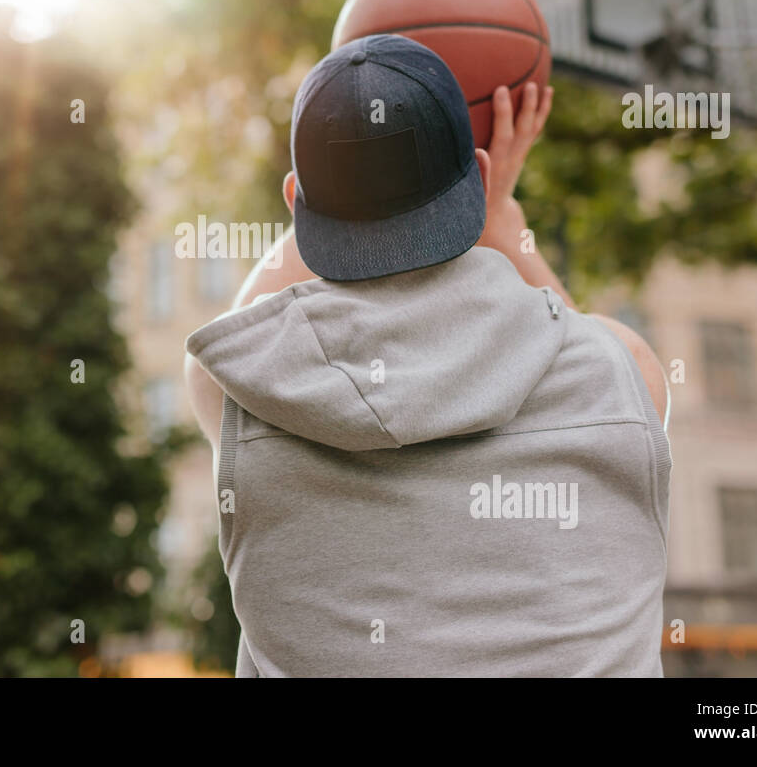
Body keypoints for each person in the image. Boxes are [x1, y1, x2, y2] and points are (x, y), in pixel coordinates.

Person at [183, 34, 671, 677]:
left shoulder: (231, 389)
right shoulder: (625, 368)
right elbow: (570, 331)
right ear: (482, 174)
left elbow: (246, 323)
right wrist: (501, 215)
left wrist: (338, 181)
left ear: (295, 201)